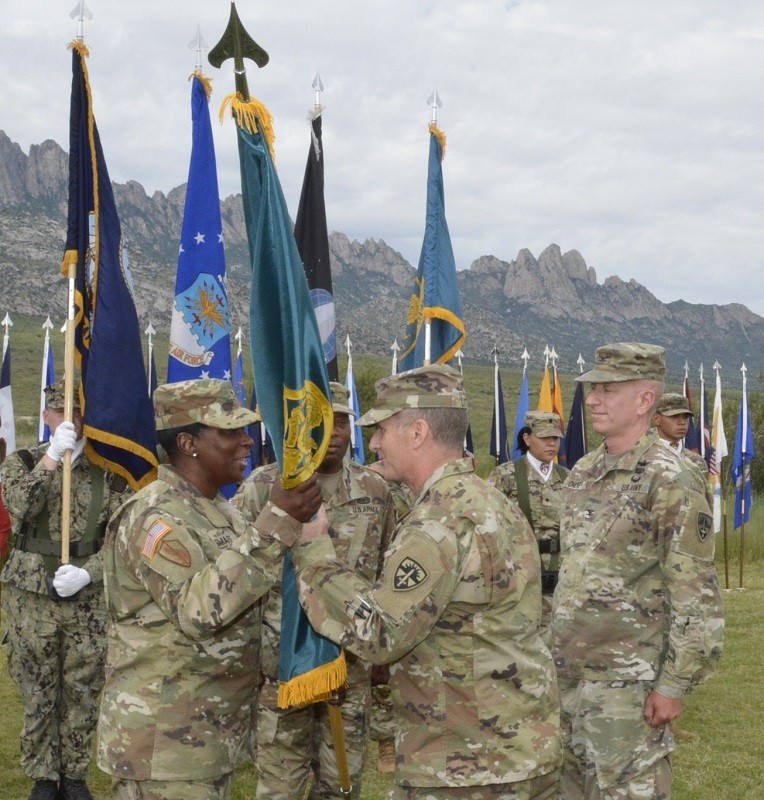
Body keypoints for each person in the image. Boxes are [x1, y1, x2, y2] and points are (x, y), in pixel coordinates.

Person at [292, 364, 561, 800]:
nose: (373, 443)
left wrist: (314, 553)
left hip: (465, 763)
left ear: (417, 433)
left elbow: (379, 633)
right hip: (517, 745)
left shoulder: (438, 522)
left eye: (381, 430)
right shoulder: (491, 500)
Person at [97, 378, 322, 800]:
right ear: (188, 443)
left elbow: (253, 604)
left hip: (207, 735)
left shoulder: (221, 511)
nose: (247, 441)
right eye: (230, 432)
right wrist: (275, 523)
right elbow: (198, 611)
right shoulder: (155, 517)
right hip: (163, 743)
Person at [549, 343, 724, 800]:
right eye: (592, 389)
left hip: (628, 686)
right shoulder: (583, 472)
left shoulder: (670, 478)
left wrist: (674, 685)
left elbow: (695, 592)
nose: (592, 400)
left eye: (607, 390)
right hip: (569, 677)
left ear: (645, 399)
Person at [235, 382, 396, 800]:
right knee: (280, 784)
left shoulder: (375, 489)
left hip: (351, 663)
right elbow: (237, 569)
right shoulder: (264, 486)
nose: (335, 432)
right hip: (281, 659)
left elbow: (385, 569)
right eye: (324, 421)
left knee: (341, 782)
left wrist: (383, 658)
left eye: (342, 422)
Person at [0, 380, 130, 800]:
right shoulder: (22, 462)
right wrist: (52, 457)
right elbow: (21, 507)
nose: (70, 421)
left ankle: (73, 774)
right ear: (46, 417)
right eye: (60, 413)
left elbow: (121, 538)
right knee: (37, 689)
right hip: (31, 596)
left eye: (77, 414)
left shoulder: (111, 473)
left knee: (82, 688)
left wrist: (89, 573)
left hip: (87, 599)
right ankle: (42, 776)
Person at [488, 410, 568, 631]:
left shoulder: (569, 478)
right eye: (545, 437)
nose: (552, 444)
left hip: (559, 581)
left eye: (556, 438)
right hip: (519, 578)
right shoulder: (505, 476)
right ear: (527, 438)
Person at [652, 393, 709, 481]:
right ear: (657, 419)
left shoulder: (696, 461)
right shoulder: (641, 457)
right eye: (674, 416)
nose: (682, 422)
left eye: (685, 417)